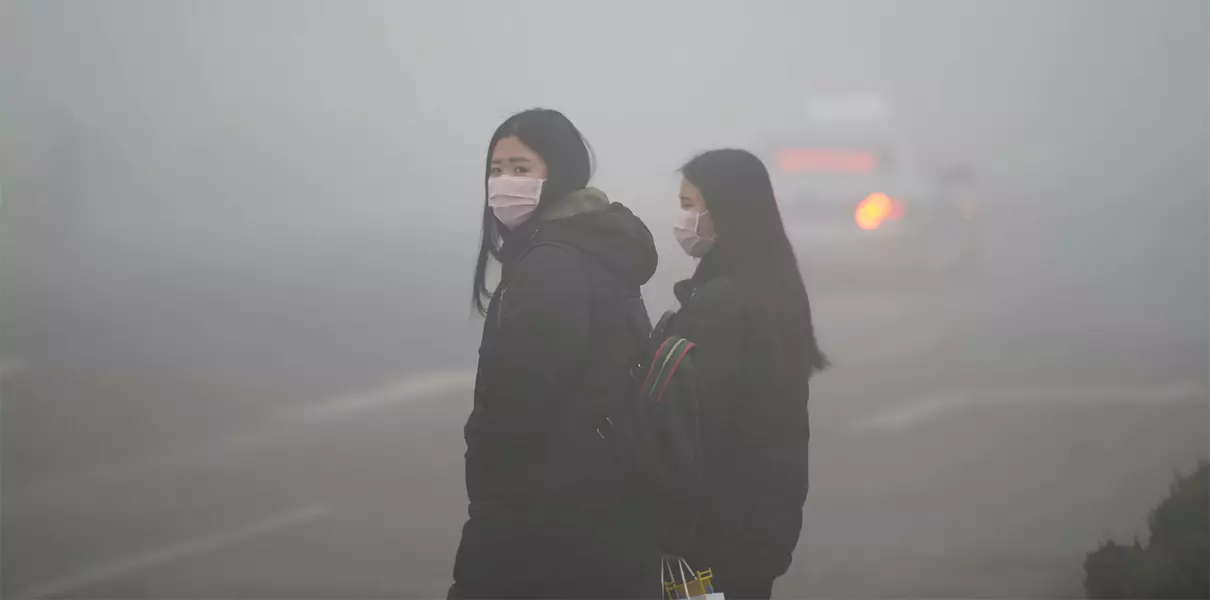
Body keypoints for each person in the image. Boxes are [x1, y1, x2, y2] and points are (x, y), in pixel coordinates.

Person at [450, 108, 661, 599]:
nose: (504, 182)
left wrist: (485, 469)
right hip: (596, 506)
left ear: (559, 172)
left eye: (521, 169)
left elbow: (523, 403)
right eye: (496, 169)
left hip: (546, 521)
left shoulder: (552, 266)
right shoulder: (585, 248)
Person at [670, 148, 827, 599]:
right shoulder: (769, 284)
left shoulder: (725, 302)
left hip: (714, 539)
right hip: (756, 530)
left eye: (689, 206)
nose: (682, 220)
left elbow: (699, 427)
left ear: (728, 210)